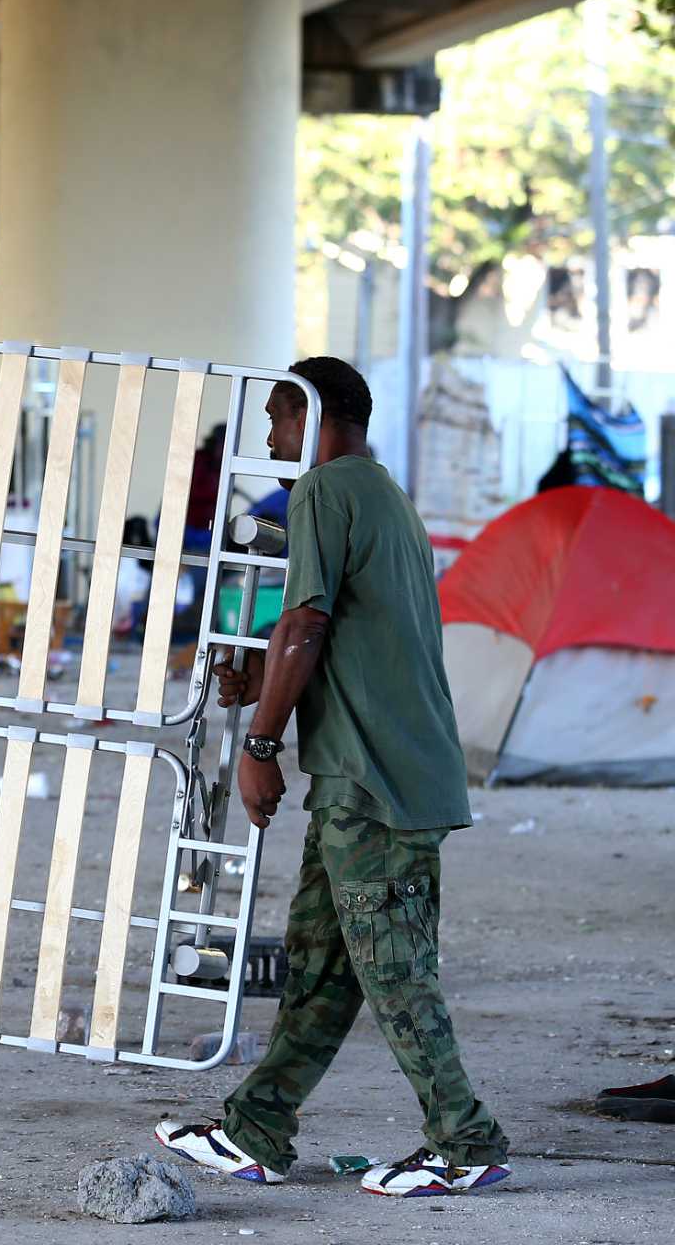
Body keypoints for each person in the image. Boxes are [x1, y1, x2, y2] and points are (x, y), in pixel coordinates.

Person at [153, 356, 511, 1199]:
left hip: (375, 781)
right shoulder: (379, 494)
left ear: (317, 415)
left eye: (279, 417)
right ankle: (256, 1129)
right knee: (323, 964)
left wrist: (261, 745)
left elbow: (308, 624)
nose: (270, 435)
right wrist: (264, 675)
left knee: (392, 969)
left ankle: (465, 1139)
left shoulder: (323, 491)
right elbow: (324, 626)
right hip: (372, 773)